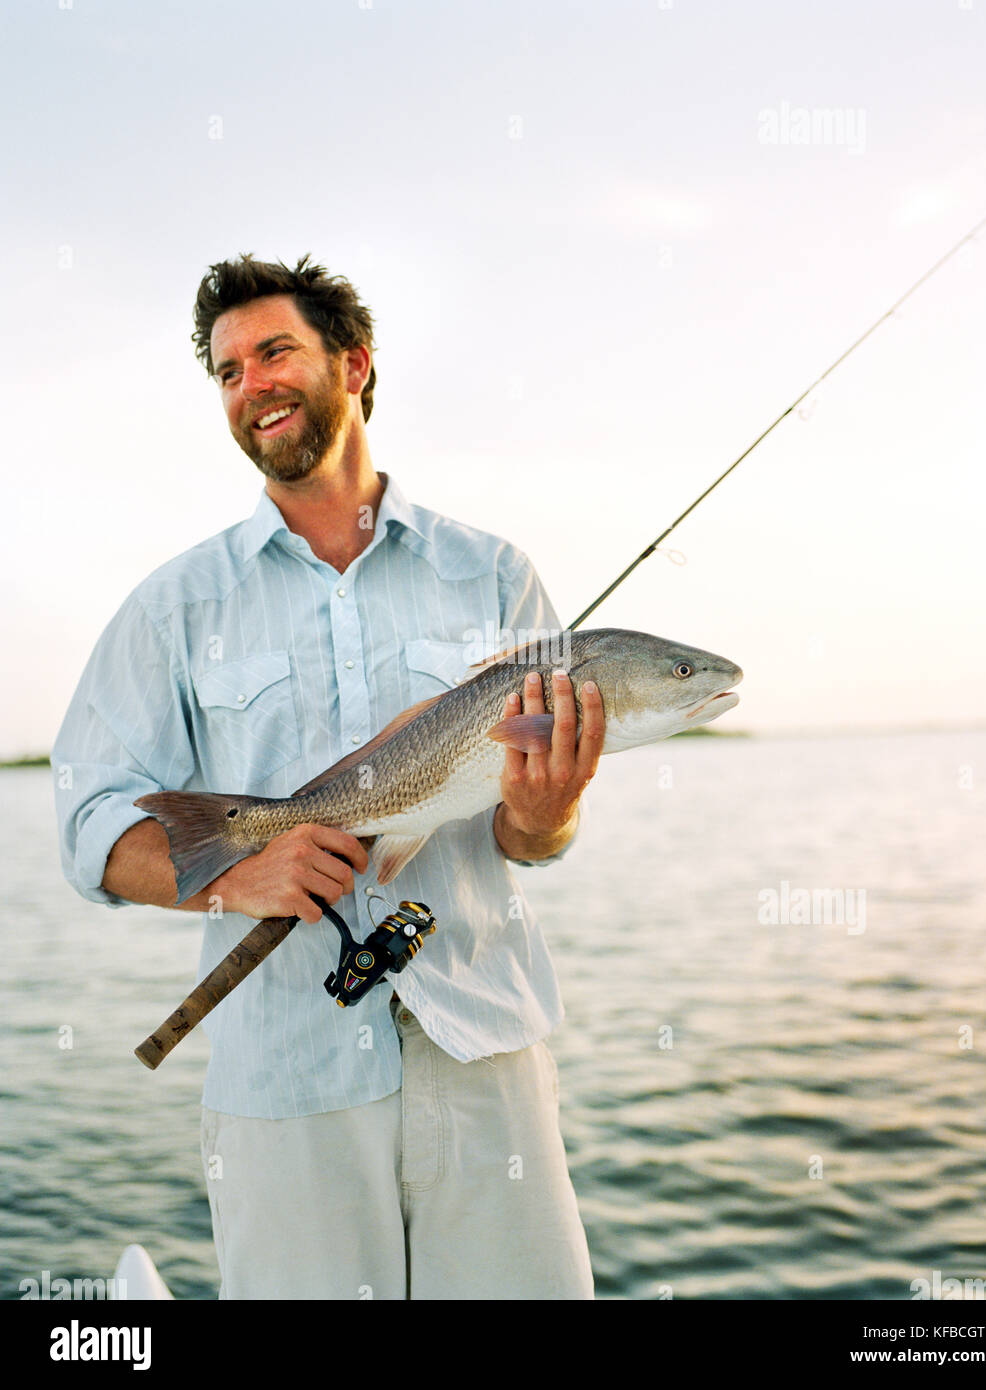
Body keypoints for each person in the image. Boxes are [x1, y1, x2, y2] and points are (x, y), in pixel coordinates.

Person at [53, 254, 603, 1300]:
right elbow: (87, 813)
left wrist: (551, 815)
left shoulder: (492, 573)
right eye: (226, 371)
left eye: (274, 352)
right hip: (285, 1077)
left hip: (483, 1050)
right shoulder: (174, 608)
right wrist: (229, 877)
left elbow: (532, 839)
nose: (249, 384)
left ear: (354, 366)